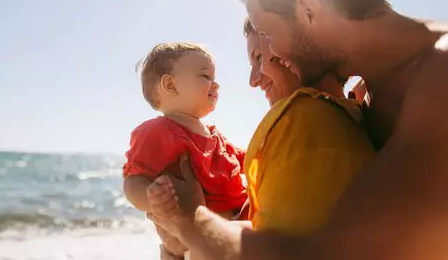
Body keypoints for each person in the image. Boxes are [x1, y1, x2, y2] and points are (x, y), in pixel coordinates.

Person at [147, 0, 448, 259]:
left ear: (308, 12)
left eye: (271, 34)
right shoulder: (374, 90)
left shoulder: (438, 78)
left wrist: (190, 220)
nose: (272, 52)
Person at [156, 20, 374, 259]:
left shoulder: (303, 123)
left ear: (292, 47)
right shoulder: (348, 117)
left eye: (259, 57)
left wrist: (190, 223)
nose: (253, 80)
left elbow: (280, 253)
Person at [122, 42, 247, 258]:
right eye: (205, 76)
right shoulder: (158, 131)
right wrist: (153, 199)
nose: (215, 84)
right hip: (192, 241)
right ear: (170, 85)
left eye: (214, 77)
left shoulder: (215, 136)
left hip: (227, 230)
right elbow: (133, 180)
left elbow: (252, 159)